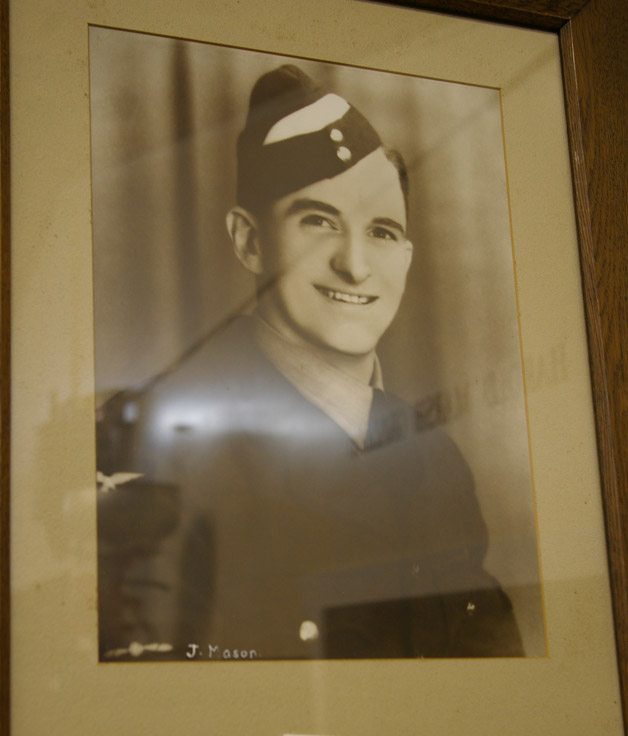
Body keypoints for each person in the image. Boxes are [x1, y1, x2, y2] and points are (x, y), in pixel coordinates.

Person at [96, 64, 523, 660]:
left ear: (405, 257)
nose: (354, 265)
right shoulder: (151, 436)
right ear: (249, 241)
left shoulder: (433, 453)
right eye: (318, 221)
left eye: (381, 230)